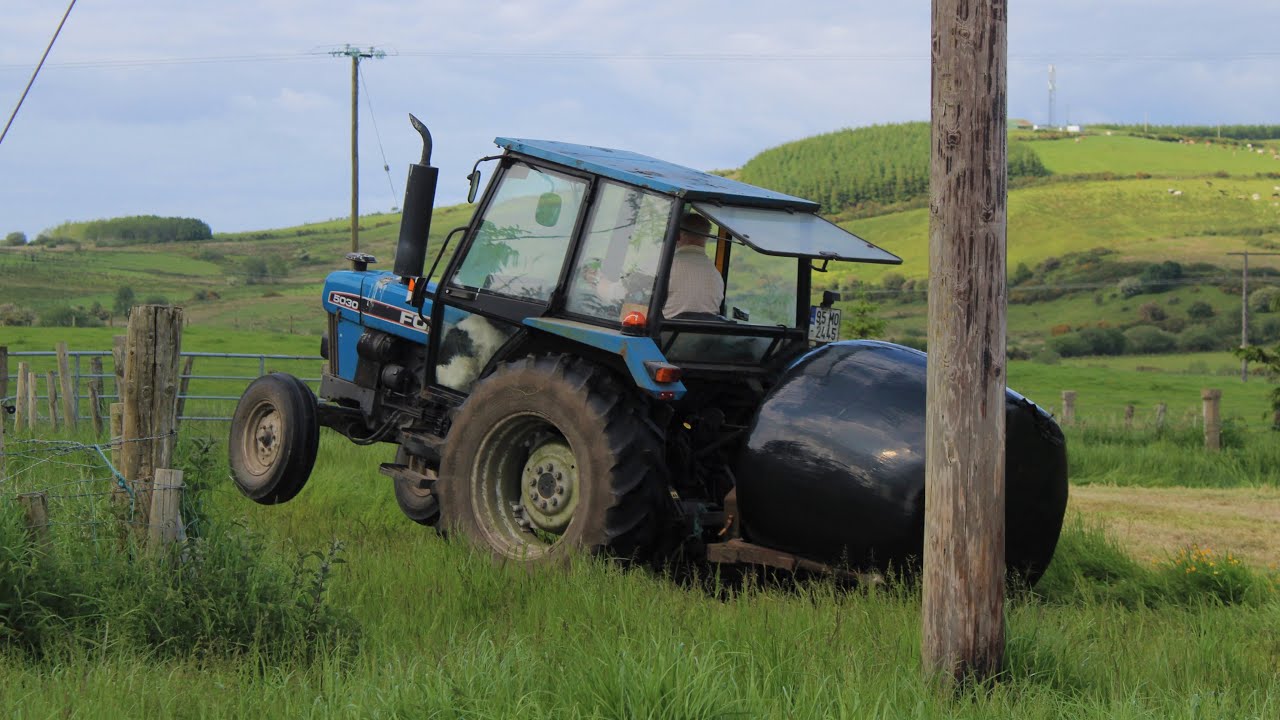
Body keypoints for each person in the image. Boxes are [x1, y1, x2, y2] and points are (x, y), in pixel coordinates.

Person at [663, 213, 725, 319]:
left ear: (676, 235)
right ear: (707, 237)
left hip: (667, 333)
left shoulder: (666, 267)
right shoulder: (716, 274)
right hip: (705, 333)